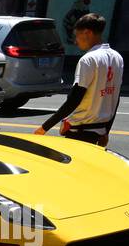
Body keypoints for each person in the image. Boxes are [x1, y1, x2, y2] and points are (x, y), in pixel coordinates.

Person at [35, 13, 123, 147]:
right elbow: (114, 98)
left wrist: (44, 128)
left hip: (81, 130)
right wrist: (106, 131)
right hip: (99, 130)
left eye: (77, 35)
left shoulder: (88, 60)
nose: (76, 41)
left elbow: (74, 99)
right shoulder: (117, 58)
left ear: (87, 32)